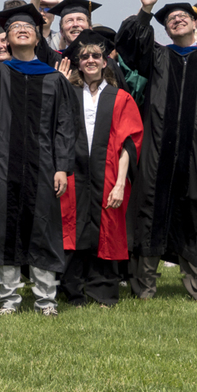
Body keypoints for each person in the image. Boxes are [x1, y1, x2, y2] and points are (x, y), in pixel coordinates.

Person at [115, 0, 197, 303]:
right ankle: (144, 288)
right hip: (157, 151)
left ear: (196, 23)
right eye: (170, 19)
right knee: (151, 211)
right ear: (166, 29)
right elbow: (127, 45)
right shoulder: (156, 57)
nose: (177, 19)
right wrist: (145, 9)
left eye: (183, 16)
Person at [0, 0, 77, 316]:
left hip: (43, 168)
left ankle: (45, 301)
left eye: (29, 25)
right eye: (15, 27)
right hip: (0, 165)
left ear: (39, 35)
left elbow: (65, 128)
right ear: (6, 38)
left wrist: (61, 167)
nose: (22, 29)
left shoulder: (55, 79)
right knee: (4, 228)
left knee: (43, 231)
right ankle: (8, 301)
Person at [56, 30, 143, 308]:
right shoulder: (69, 94)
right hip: (75, 173)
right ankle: (74, 291)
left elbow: (130, 142)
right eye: (85, 56)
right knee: (74, 227)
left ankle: (103, 292)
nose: (91, 60)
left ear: (106, 62)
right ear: (78, 63)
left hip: (108, 175)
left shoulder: (120, 98)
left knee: (106, 229)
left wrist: (120, 183)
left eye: (96, 56)